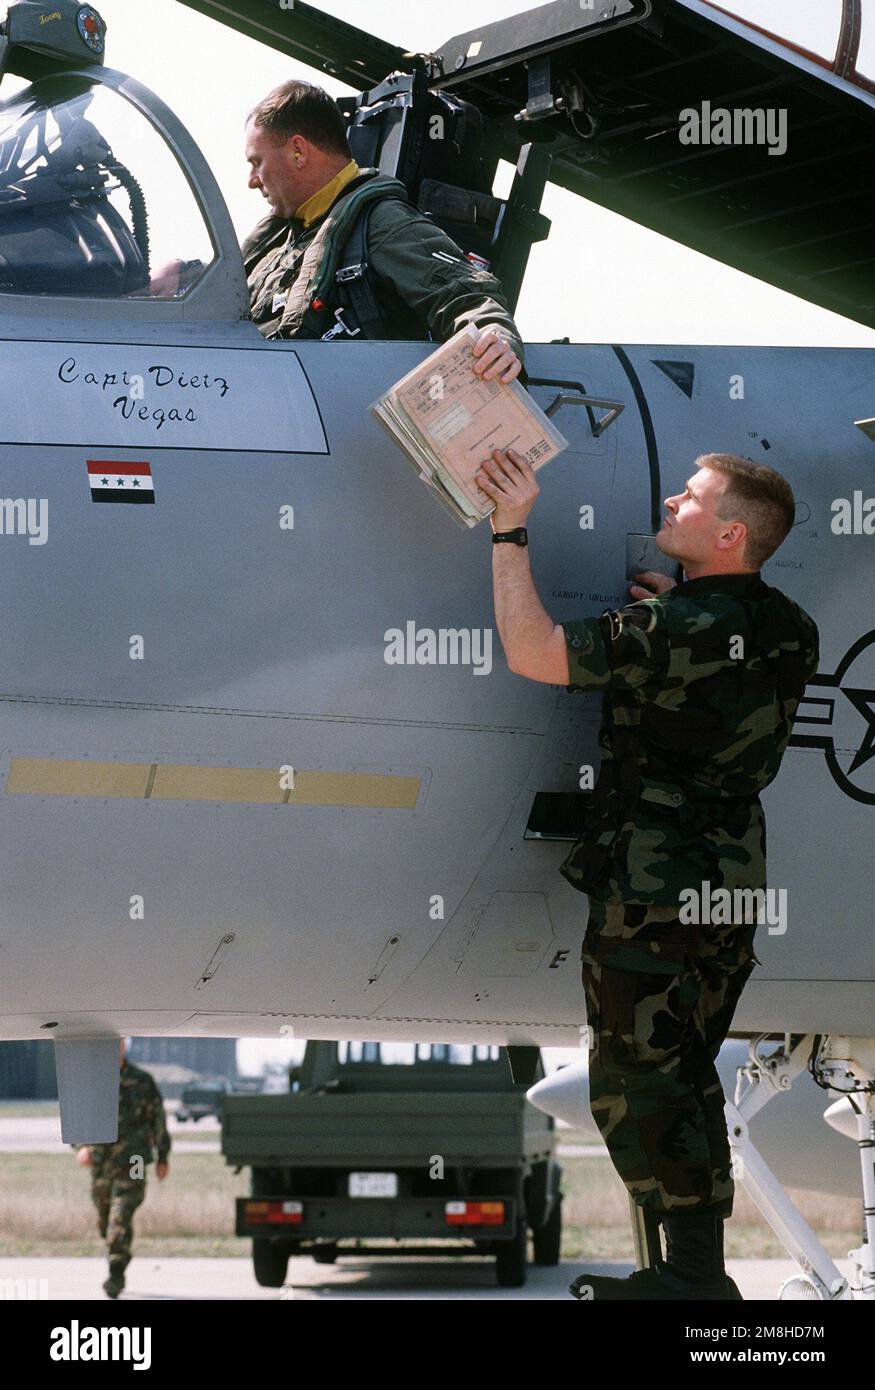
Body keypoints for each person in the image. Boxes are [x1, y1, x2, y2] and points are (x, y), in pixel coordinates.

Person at [476, 447, 819, 1301]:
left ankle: (691, 1281)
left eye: (692, 499)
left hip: (653, 889)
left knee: (635, 1078)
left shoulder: (668, 633)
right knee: (686, 1069)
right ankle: (692, 1273)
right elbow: (717, 659)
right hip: (729, 883)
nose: (672, 501)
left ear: (729, 531)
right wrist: (683, 611)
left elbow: (535, 651)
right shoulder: (787, 627)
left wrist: (508, 529)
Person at [73, 1038, 171, 1299]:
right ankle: (115, 1254)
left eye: (116, 1045)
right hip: (101, 1160)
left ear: (123, 1047)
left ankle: (116, 1271)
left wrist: (163, 1156)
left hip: (135, 1159)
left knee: (122, 1211)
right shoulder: (90, 1080)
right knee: (105, 1216)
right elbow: (76, 1115)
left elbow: (157, 1118)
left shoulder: (142, 1080)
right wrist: (80, 1146)